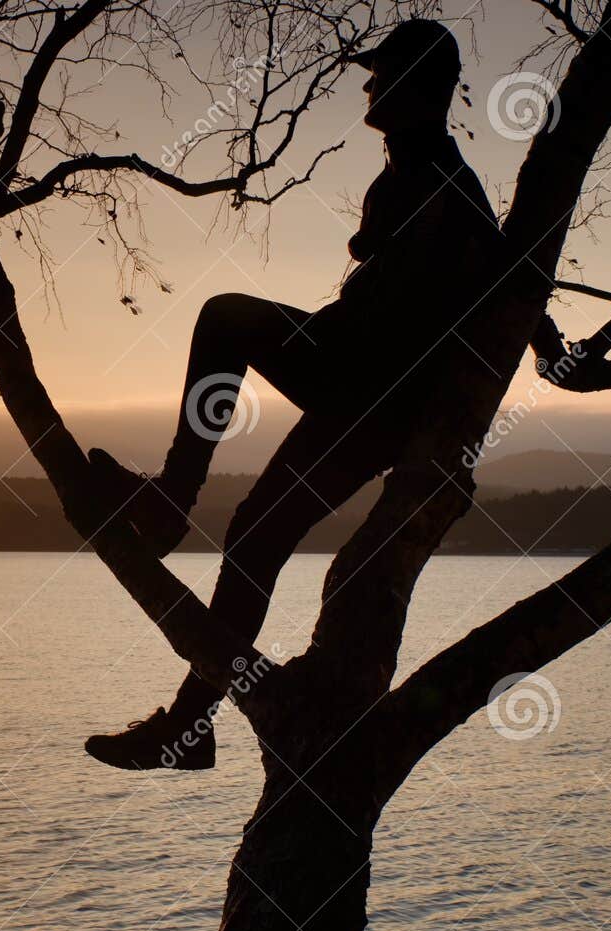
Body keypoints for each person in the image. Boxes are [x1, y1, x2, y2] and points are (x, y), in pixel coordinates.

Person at [85, 19, 506, 770]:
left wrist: (548, 351)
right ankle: (191, 726)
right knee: (255, 534)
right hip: (360, 390)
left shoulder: (444, 179)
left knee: (226, 320)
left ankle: (171, 504)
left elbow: (500, 286)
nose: (368, 84)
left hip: (366, 383)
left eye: (383, 73)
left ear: (417, 85)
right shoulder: (417, 171)